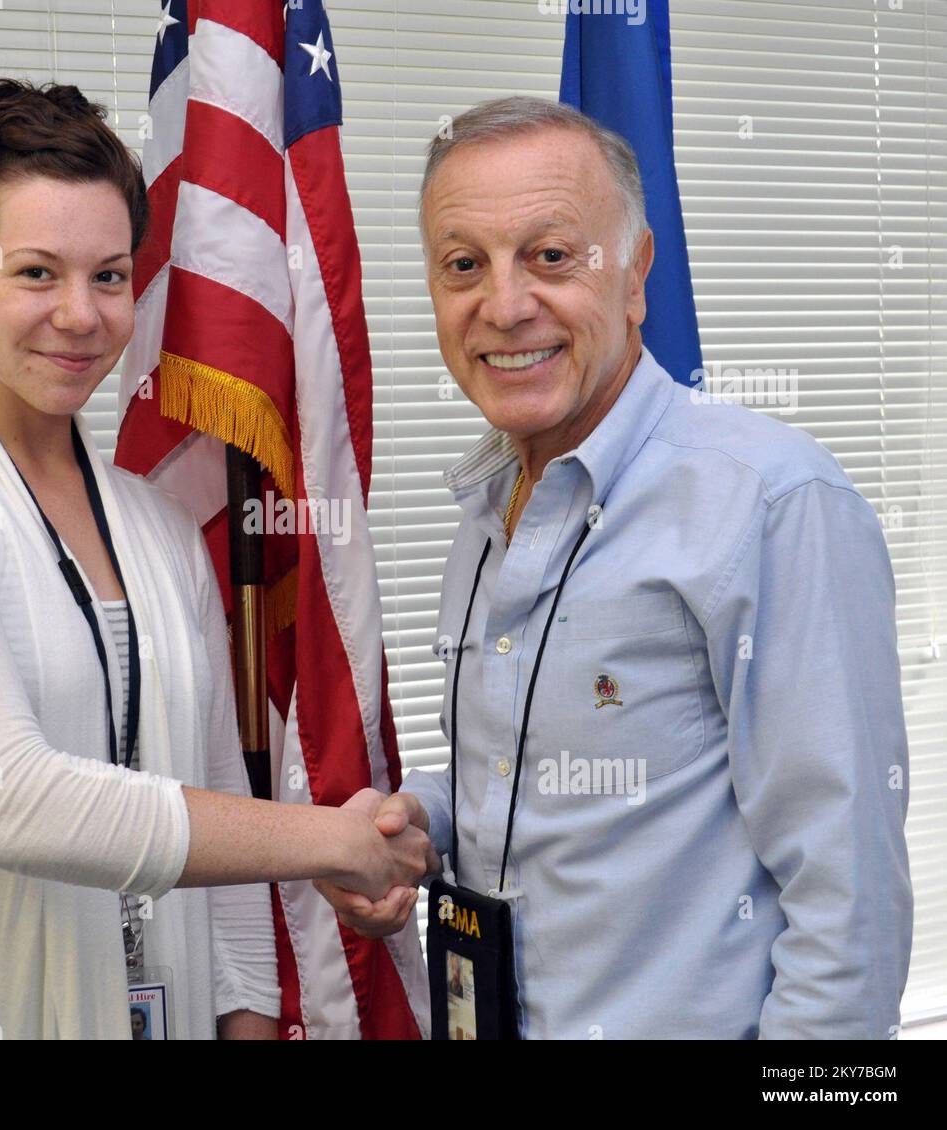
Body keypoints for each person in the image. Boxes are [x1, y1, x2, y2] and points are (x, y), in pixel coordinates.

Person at [0, 78, 435, 1041]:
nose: (82, 315)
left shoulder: (160, 528)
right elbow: (10, 801)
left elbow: (226, 853)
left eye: (109, 275)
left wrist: (251, 1020)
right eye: (37, 273)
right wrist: (335, 841)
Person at [315, 96, 914, 1039]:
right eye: (463, 264)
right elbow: (543, 780)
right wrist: (421, 824)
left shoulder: (772, 503)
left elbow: (853, 905)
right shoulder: (488, 503)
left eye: (552, 256)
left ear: (635, 275)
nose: (504, 306)